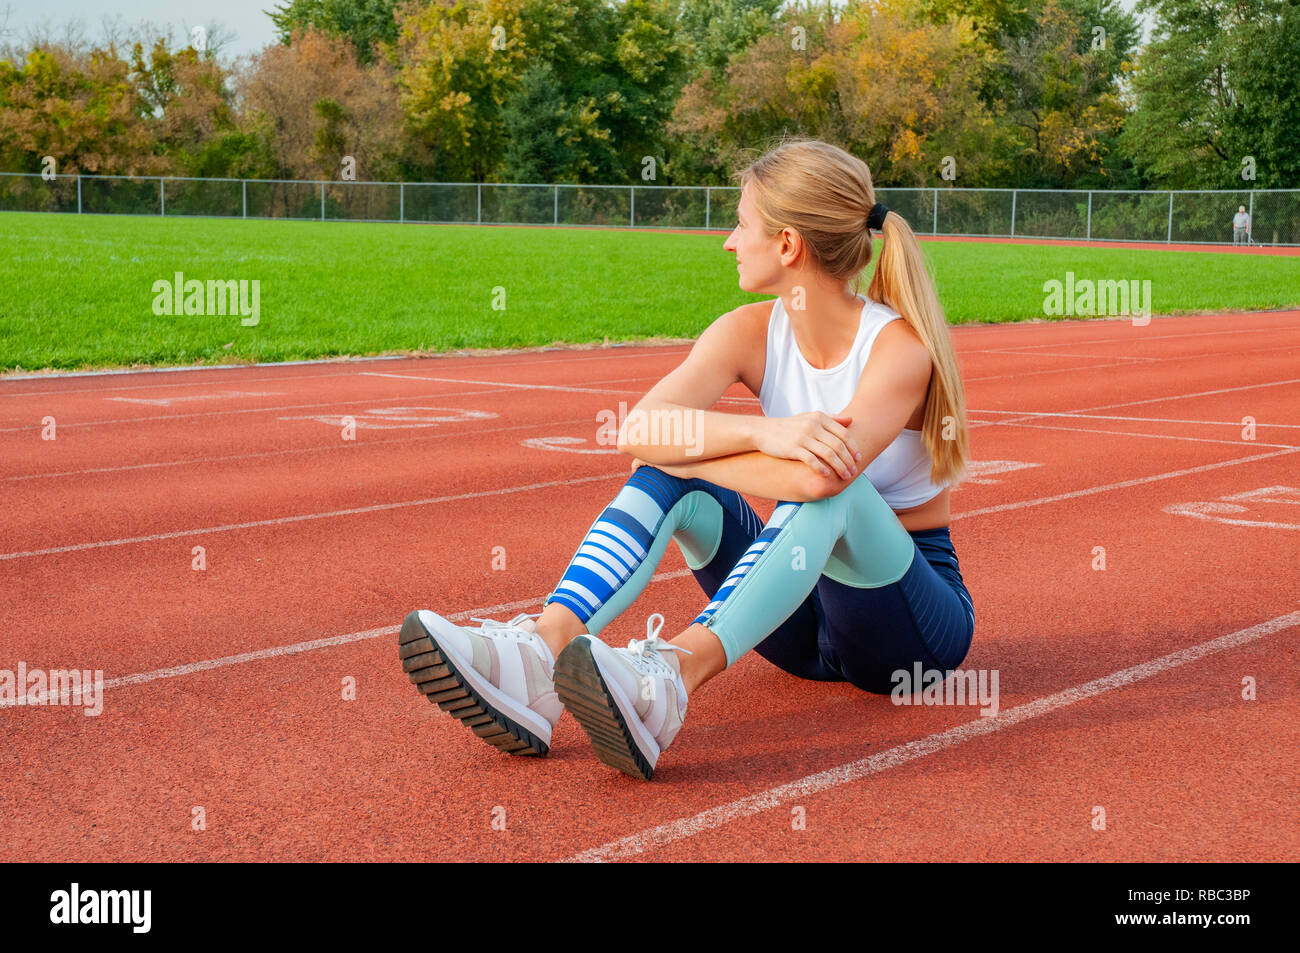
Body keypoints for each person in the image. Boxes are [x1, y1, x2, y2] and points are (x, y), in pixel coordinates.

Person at [398, 137, 976, 780]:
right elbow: (639, 428)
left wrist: (698, 454)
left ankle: (671, 677)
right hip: (799, 622)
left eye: (741, 224)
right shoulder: (745, 332)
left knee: (833, 488)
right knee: (667, 467)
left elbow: (818, 478)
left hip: (909, 635)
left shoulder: (898, 350)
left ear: (787, 245)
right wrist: (764, 434)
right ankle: (540, 652)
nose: (729, 241)